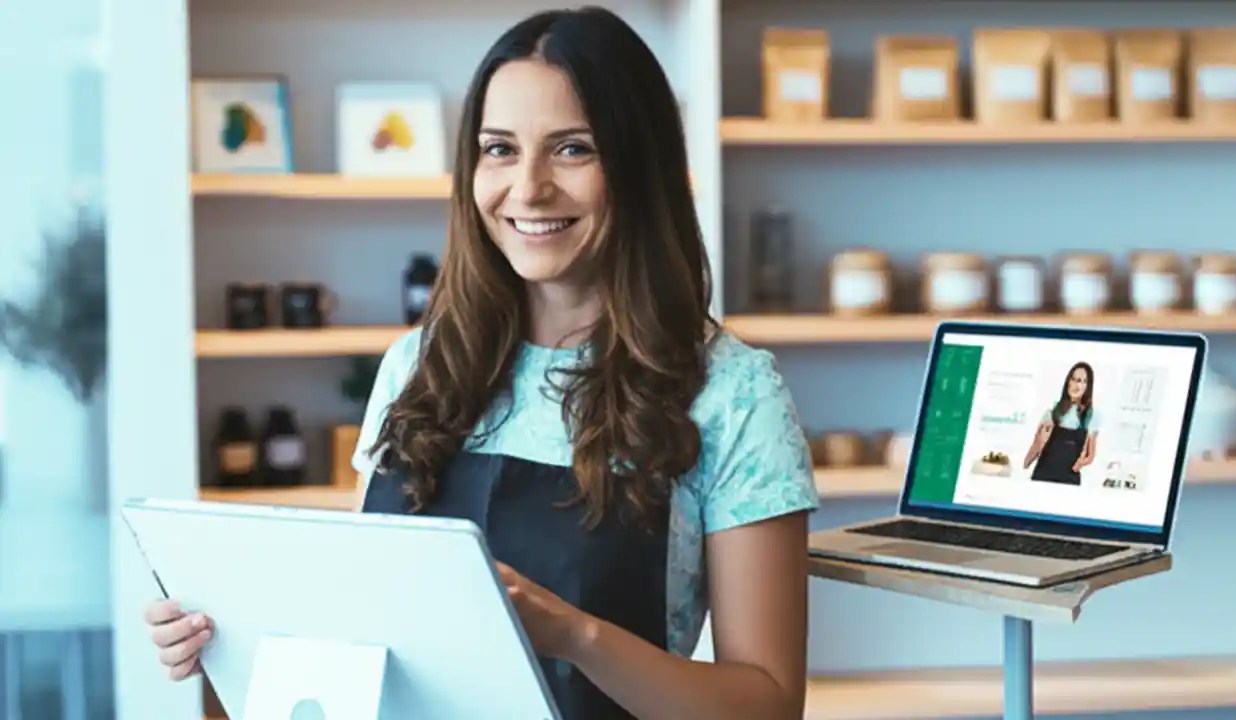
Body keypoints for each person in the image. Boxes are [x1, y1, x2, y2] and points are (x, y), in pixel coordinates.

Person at [142, 7, 819, 719]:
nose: (527, 189)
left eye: (572, 149)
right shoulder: (417, 364)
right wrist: (222, 648)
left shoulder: (731, 393)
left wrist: (577, 636)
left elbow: (768, 704)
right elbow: (358, 648)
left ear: (640, 165)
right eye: (499, 149)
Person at [1023, 361, 1100, 485]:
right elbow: (1036, 444)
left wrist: (1078, 466)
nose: (1077, 385)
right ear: (1068, 382)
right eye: (1074, 379)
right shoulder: (1052, 412)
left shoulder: (1090, 417)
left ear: (1088, 386)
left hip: (1069, 479)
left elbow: (1090, 456)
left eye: (1083, 381)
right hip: (1043, 474)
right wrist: (1025, 463)